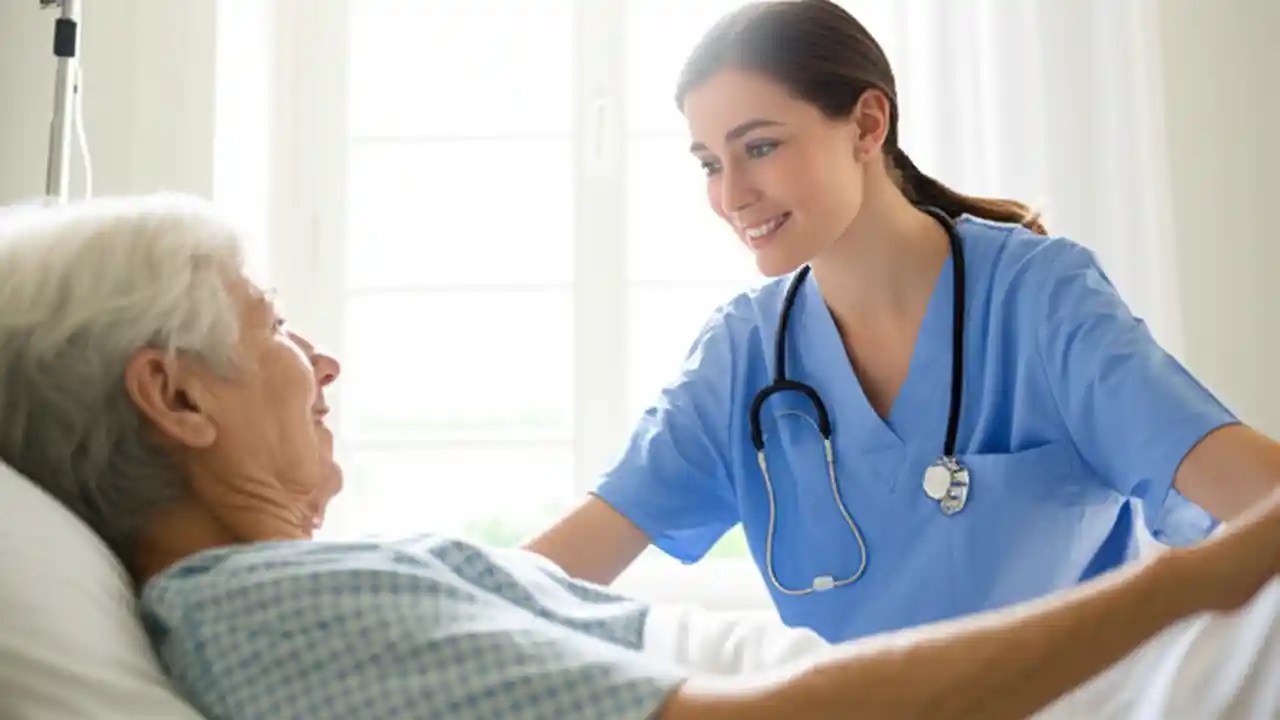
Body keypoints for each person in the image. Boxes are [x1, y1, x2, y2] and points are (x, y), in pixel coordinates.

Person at [2, 195, 1279, 720]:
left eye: (760, 146)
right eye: (274, 326)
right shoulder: (273, 612)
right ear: (175, 395)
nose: (319, 362)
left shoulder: (1029, 291)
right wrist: (1201, 580)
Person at [526, 0, 1280, 643]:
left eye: (760, 147)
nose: (732, 195)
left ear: (866, 124)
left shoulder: (1039, 301)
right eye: (710, 163)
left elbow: (1261, 501)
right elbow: (548, 574)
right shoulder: (744, 356)